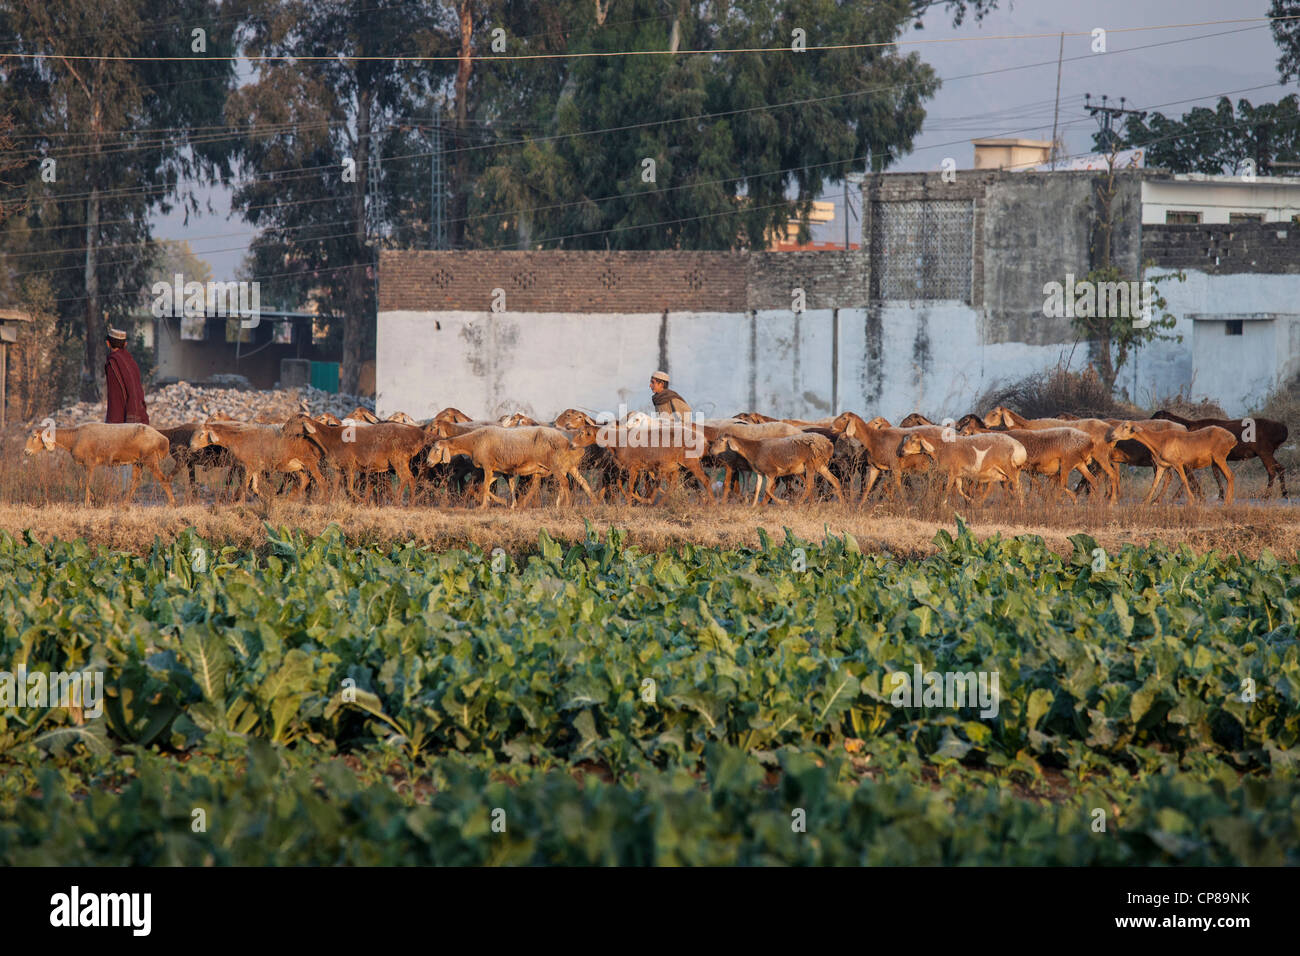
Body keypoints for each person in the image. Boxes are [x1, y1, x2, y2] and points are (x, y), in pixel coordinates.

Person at [105, 327, 149, 425]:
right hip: (140, 414)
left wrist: (113, 421)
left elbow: (115, 396)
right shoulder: (131, 361)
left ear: (107, 343)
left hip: (120, 419)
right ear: (125, 344)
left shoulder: (112, 363)